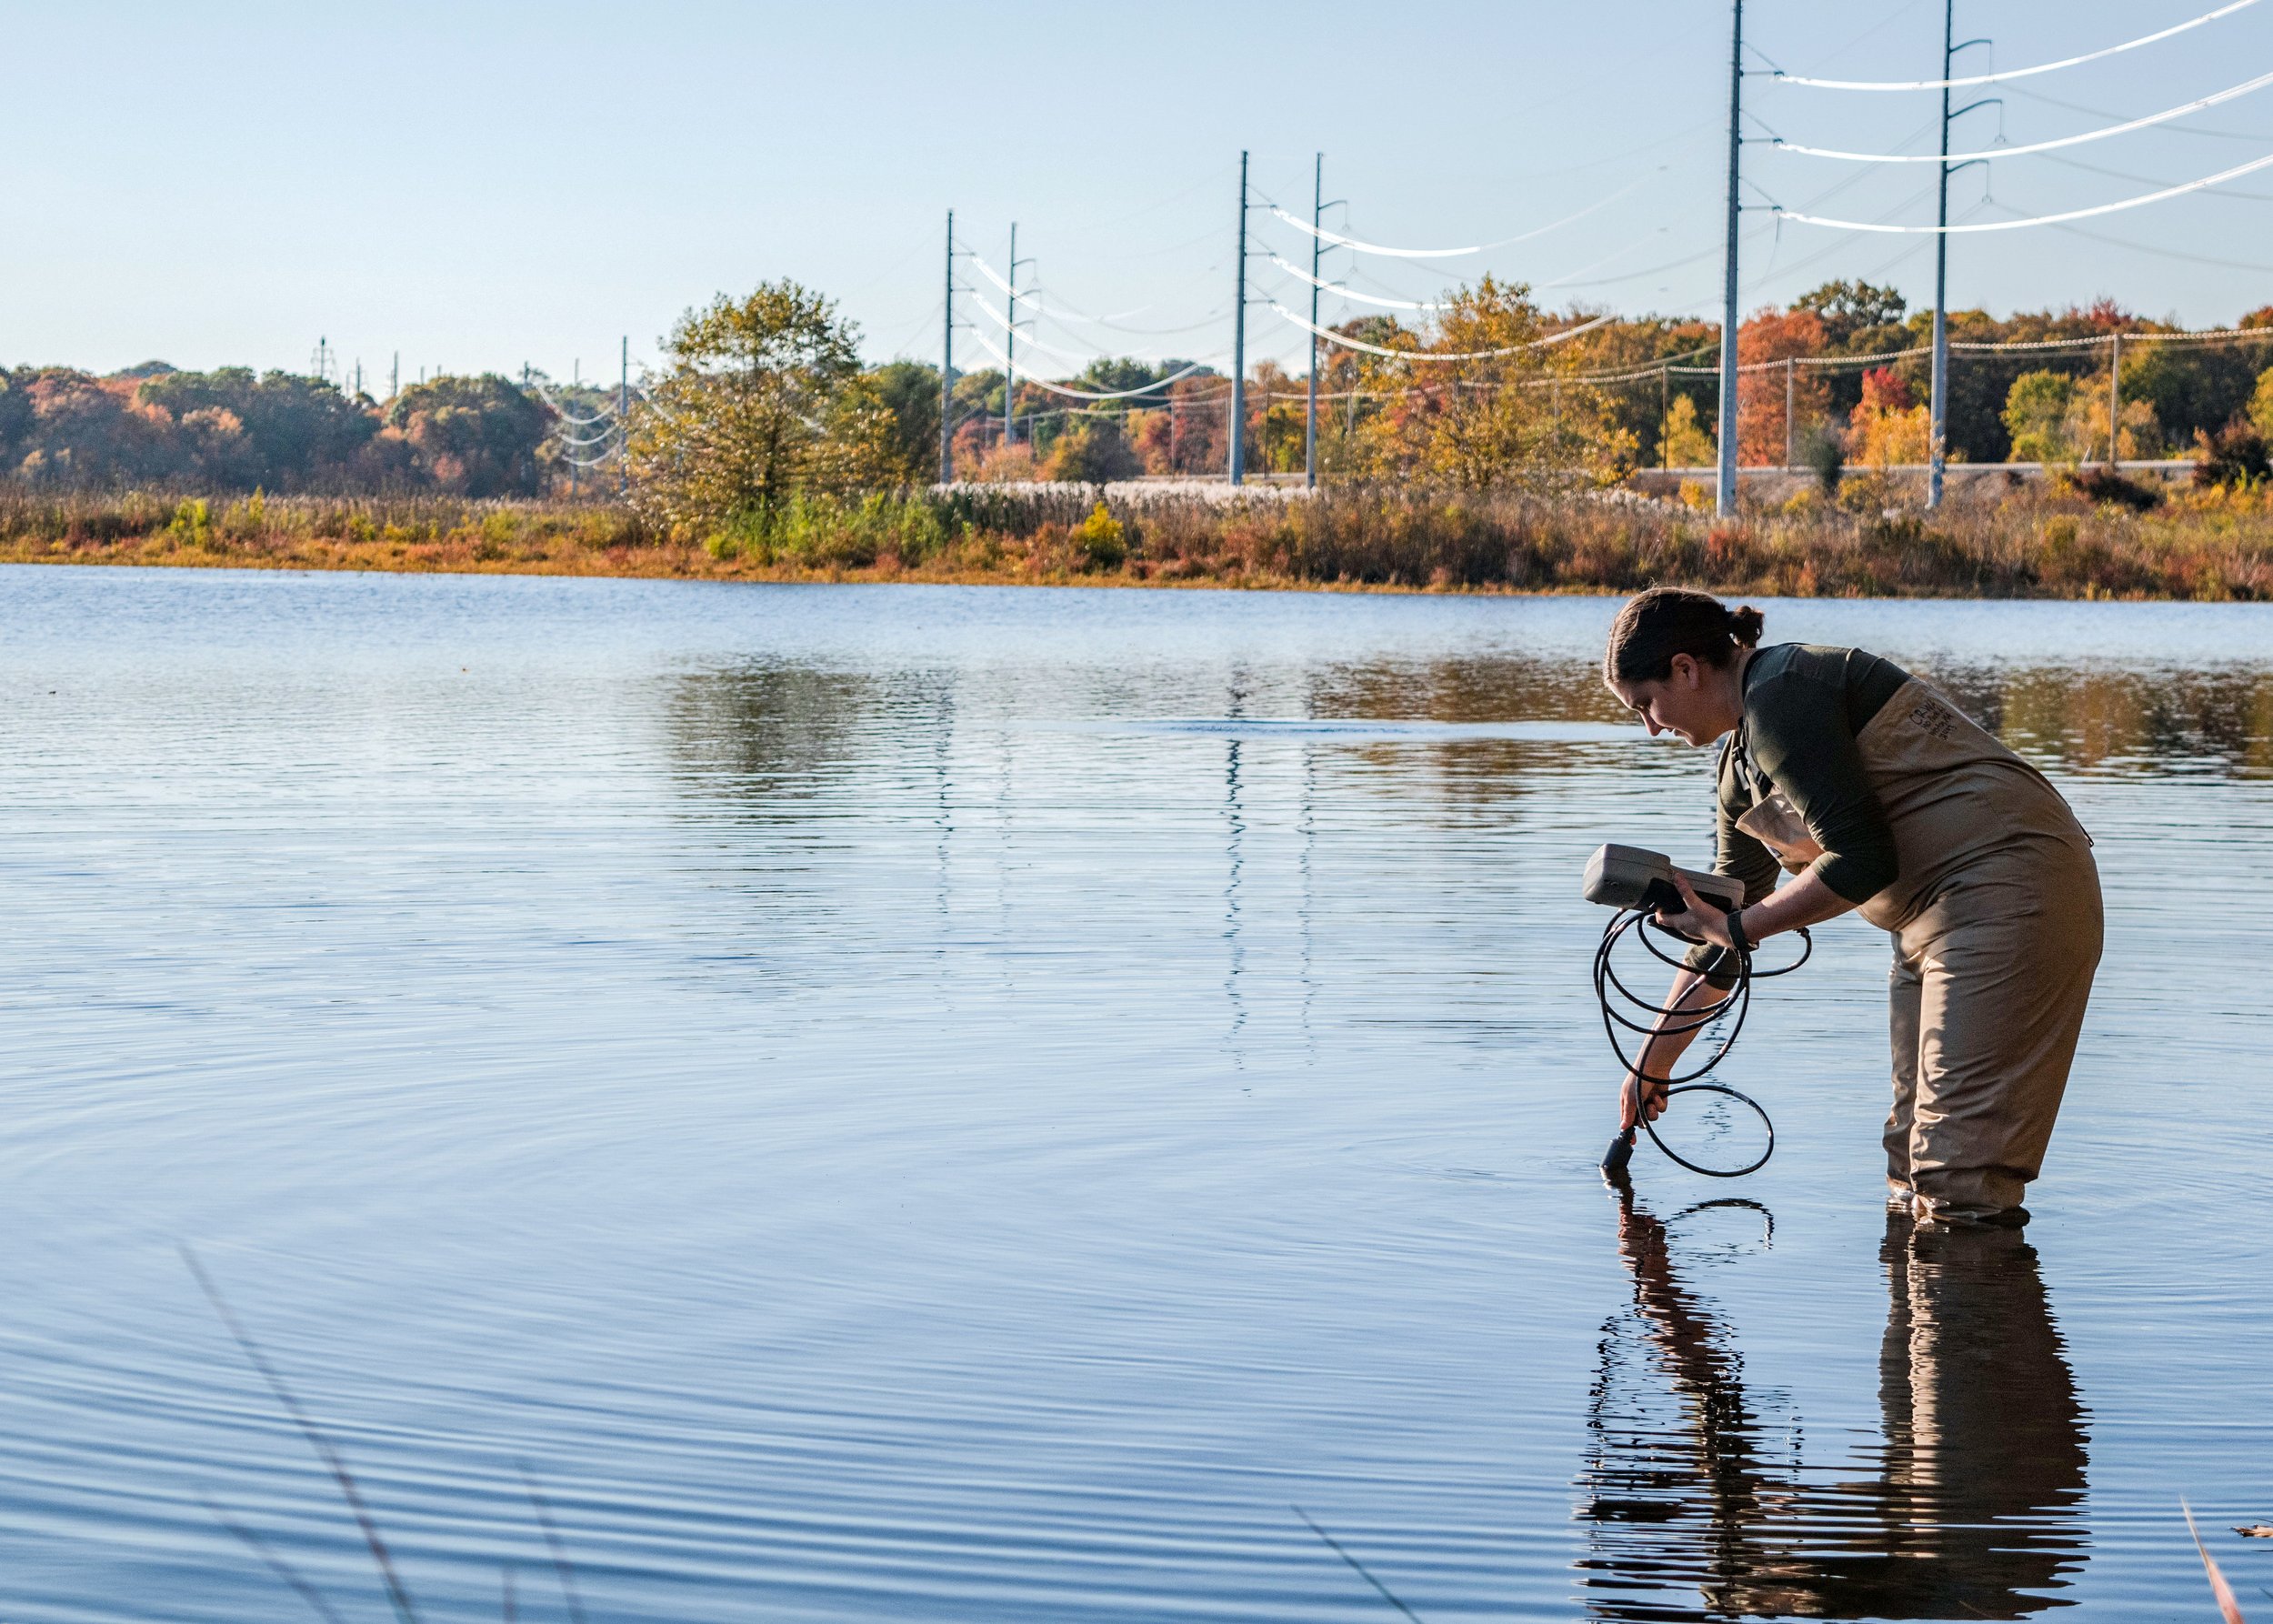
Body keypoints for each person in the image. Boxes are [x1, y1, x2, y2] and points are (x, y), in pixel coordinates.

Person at [1601, 587, 2101, 1225]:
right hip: (1930, 922)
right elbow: (1727, 917)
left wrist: (1738, 926)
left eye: (1646, 704)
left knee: (1957, 1178)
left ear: (1685, 669)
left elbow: (1862, 860)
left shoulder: (1783, 691)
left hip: (2012, 891)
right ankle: (1942, 1315)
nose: (1650, 727)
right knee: (1907, 1166)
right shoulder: (1737, 767)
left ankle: (1973, 1316)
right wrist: (1653, 1062)